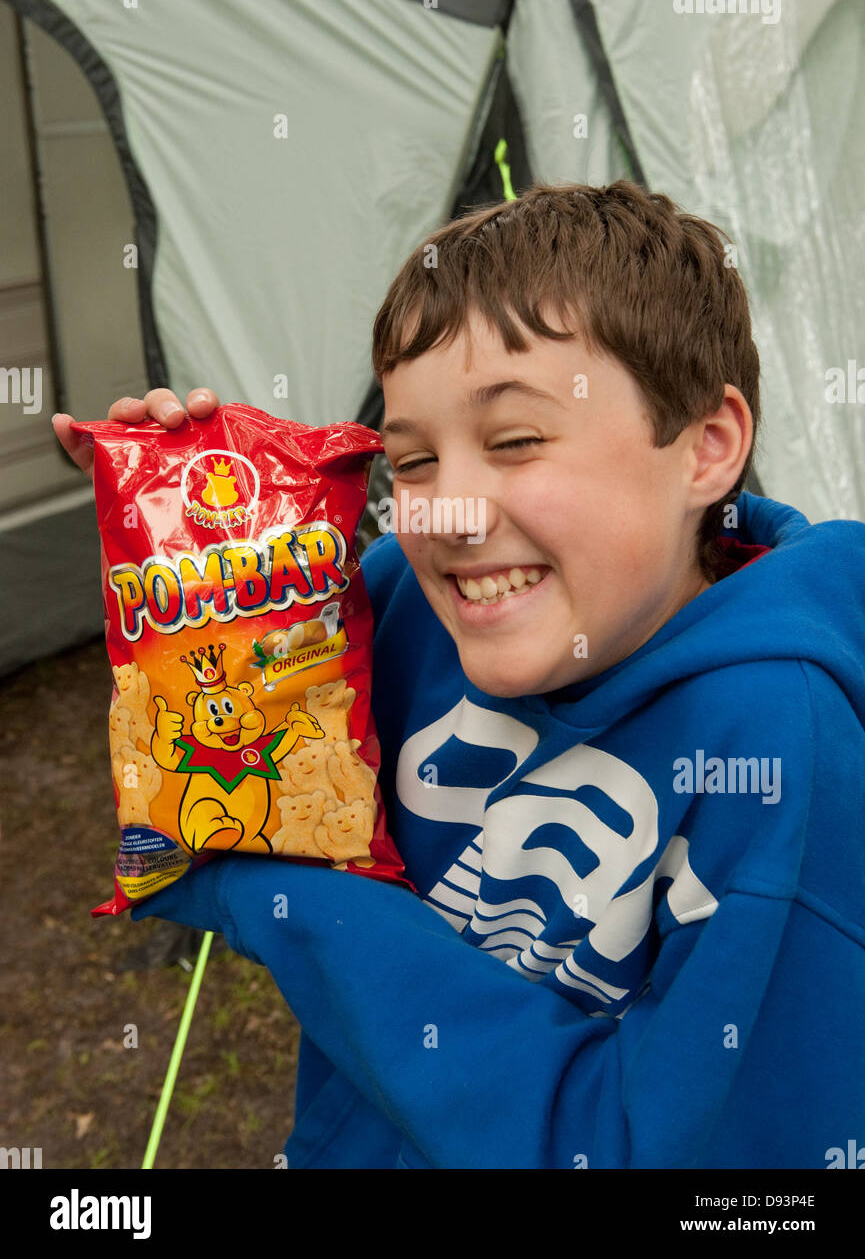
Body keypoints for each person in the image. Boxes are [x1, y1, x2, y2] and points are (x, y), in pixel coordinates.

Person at [54, 181, 865, 1170]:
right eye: (415, 461)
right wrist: (188, 527)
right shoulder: (406, 600)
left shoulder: (780, 740)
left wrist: (305, 909)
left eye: (515, 440)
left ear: (706, 446)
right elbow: (238, 759)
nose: (449, 513)